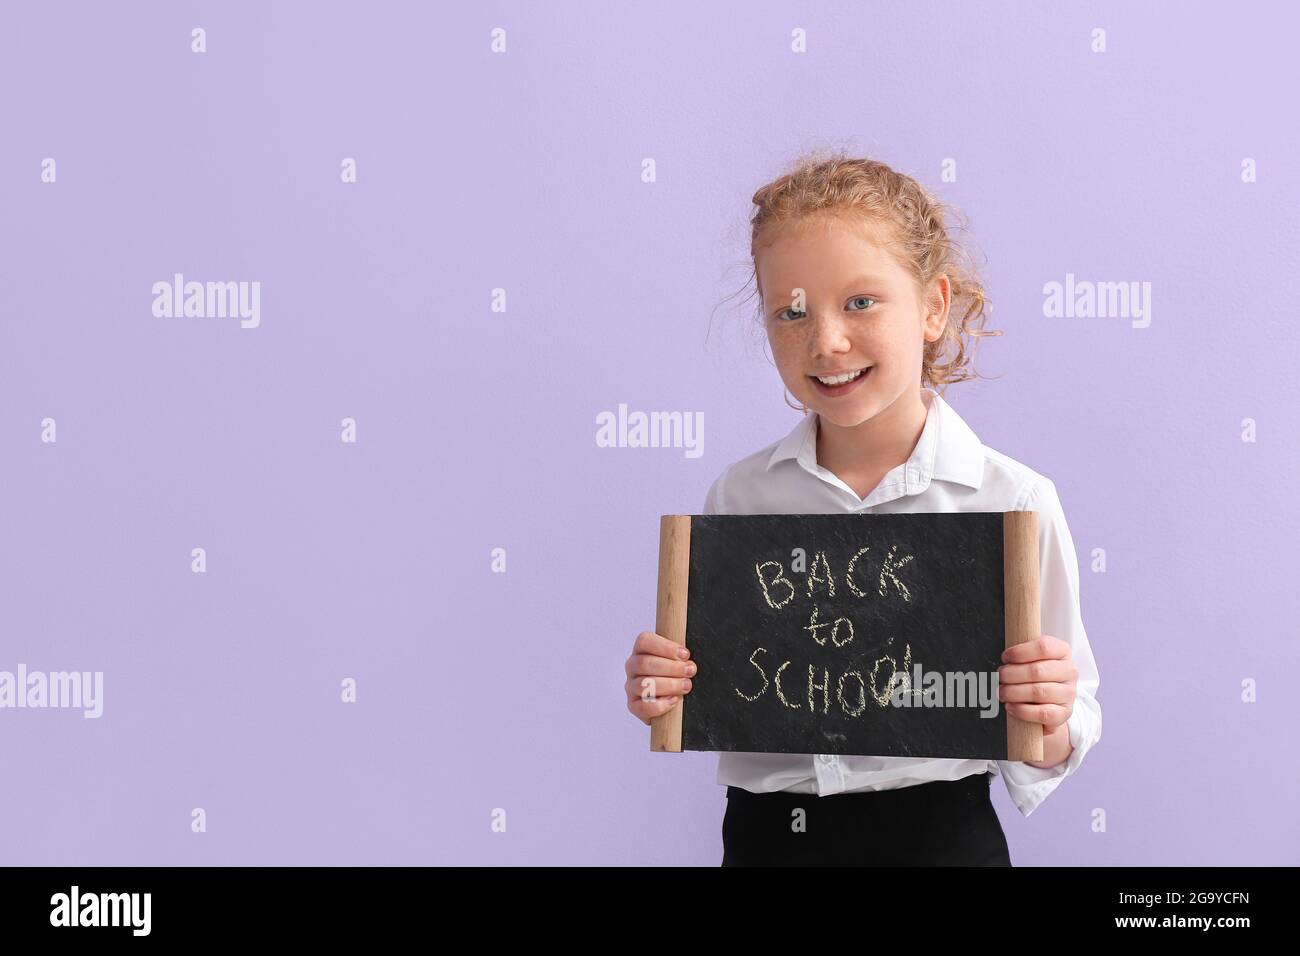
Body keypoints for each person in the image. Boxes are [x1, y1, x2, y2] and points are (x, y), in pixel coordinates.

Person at [623, 152, 1102, 866]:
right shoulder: (740, 498)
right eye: (791, 312)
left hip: (937, 836)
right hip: (769, 839)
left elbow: (1058, 739)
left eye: (860, 301)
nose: (827, 341)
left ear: (934, 306)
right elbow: (715, 689)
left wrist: (1050, 712)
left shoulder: (1011, 502)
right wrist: (664, 686)